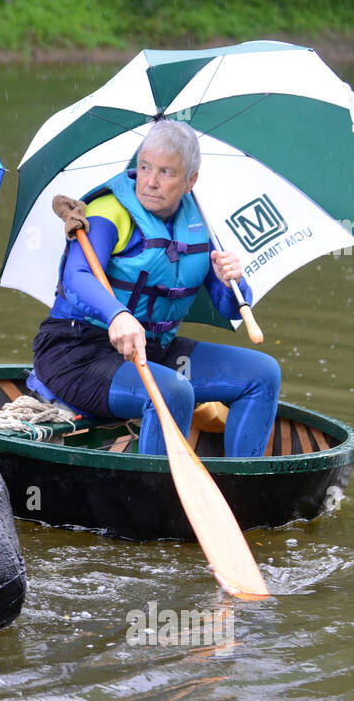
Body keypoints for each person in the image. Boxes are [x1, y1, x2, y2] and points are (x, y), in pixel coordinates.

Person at [27, 119, 281, 457]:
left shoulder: (199, 223)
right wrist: (116, 314)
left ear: (191, 180)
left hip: (151, 352)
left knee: (263, 374)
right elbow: (77, 276)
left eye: (166, 172)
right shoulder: (108, 211)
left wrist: (234, 283)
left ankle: (241, 496)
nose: (150, 181)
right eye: (145, 167)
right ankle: (153, 500)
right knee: (173, 391)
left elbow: (231, 309)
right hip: (76, 353)